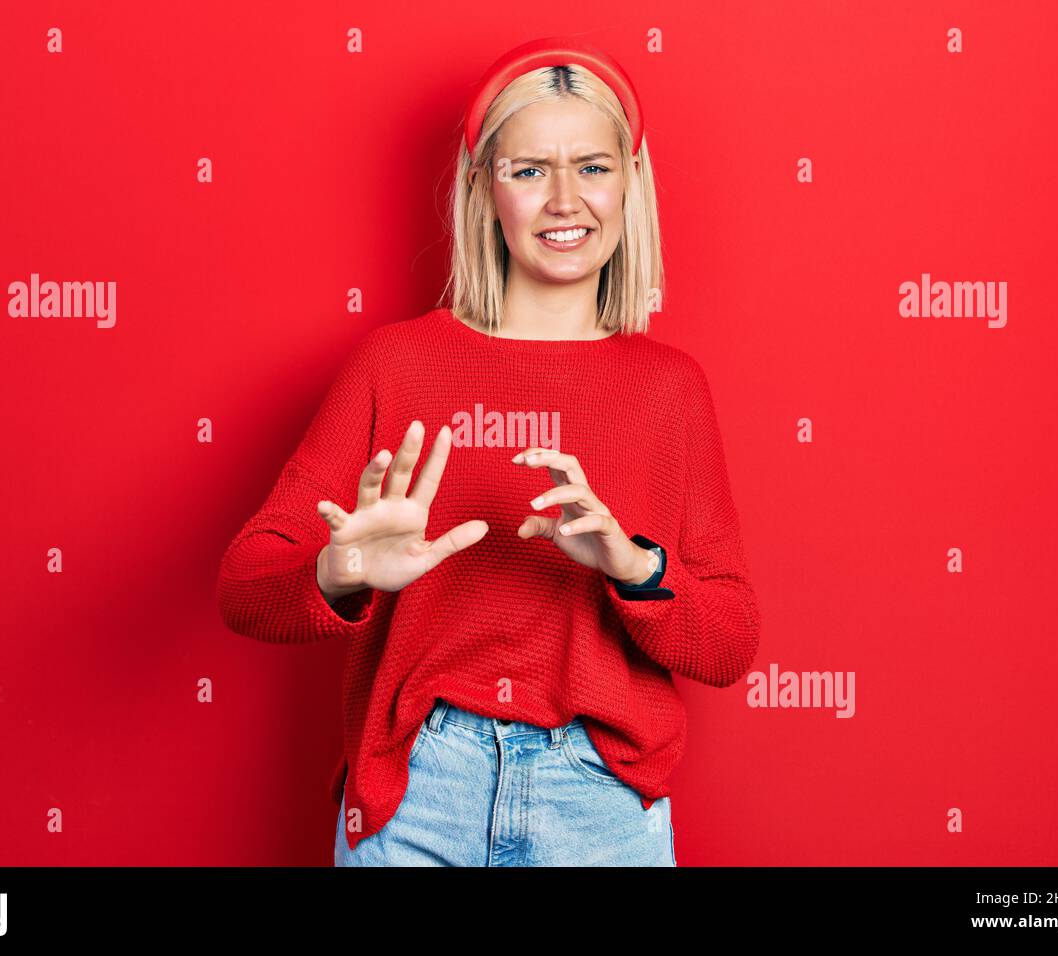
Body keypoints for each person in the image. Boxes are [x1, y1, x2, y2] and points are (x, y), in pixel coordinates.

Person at [216, 37, 761, 866]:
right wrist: (347, 570)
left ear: (630, 184)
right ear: (484, 188)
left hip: (601, 803)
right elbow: (246, 588)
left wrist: (632, 564)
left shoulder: (669, 388)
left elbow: (727, 643)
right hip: (420, 790)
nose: (565, 200)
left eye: (593, 166)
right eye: (529, 170)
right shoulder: (393, 366)